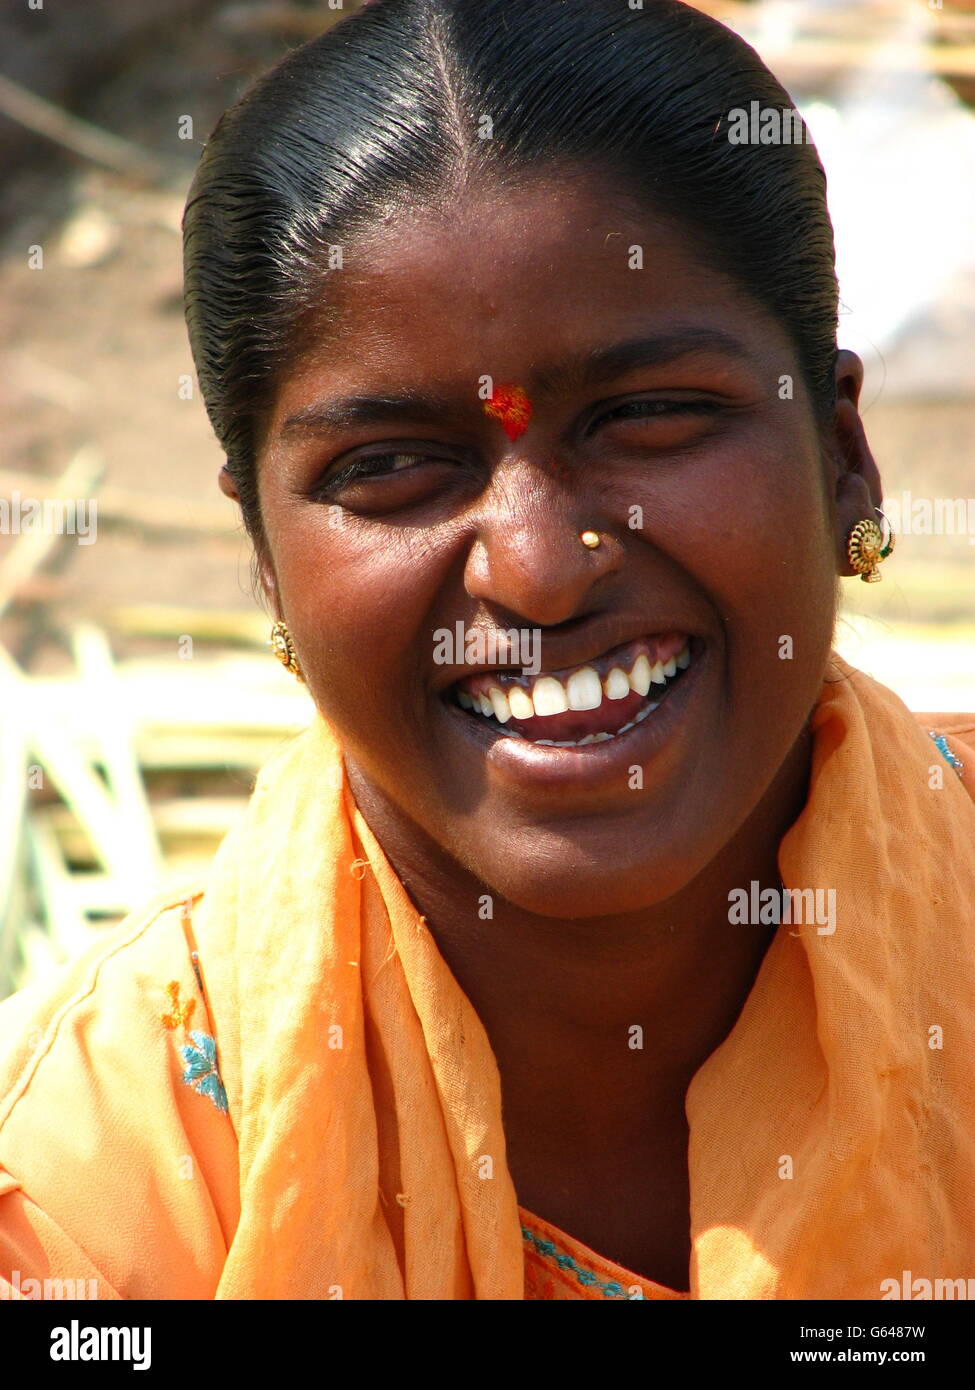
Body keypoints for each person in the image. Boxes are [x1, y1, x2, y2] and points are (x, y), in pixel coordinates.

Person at [1, 0, 973, 1301]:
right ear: (267, 567)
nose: (536, 565)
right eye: (392, 464)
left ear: (847, 459)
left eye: (647, 417)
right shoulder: (105, 1188)